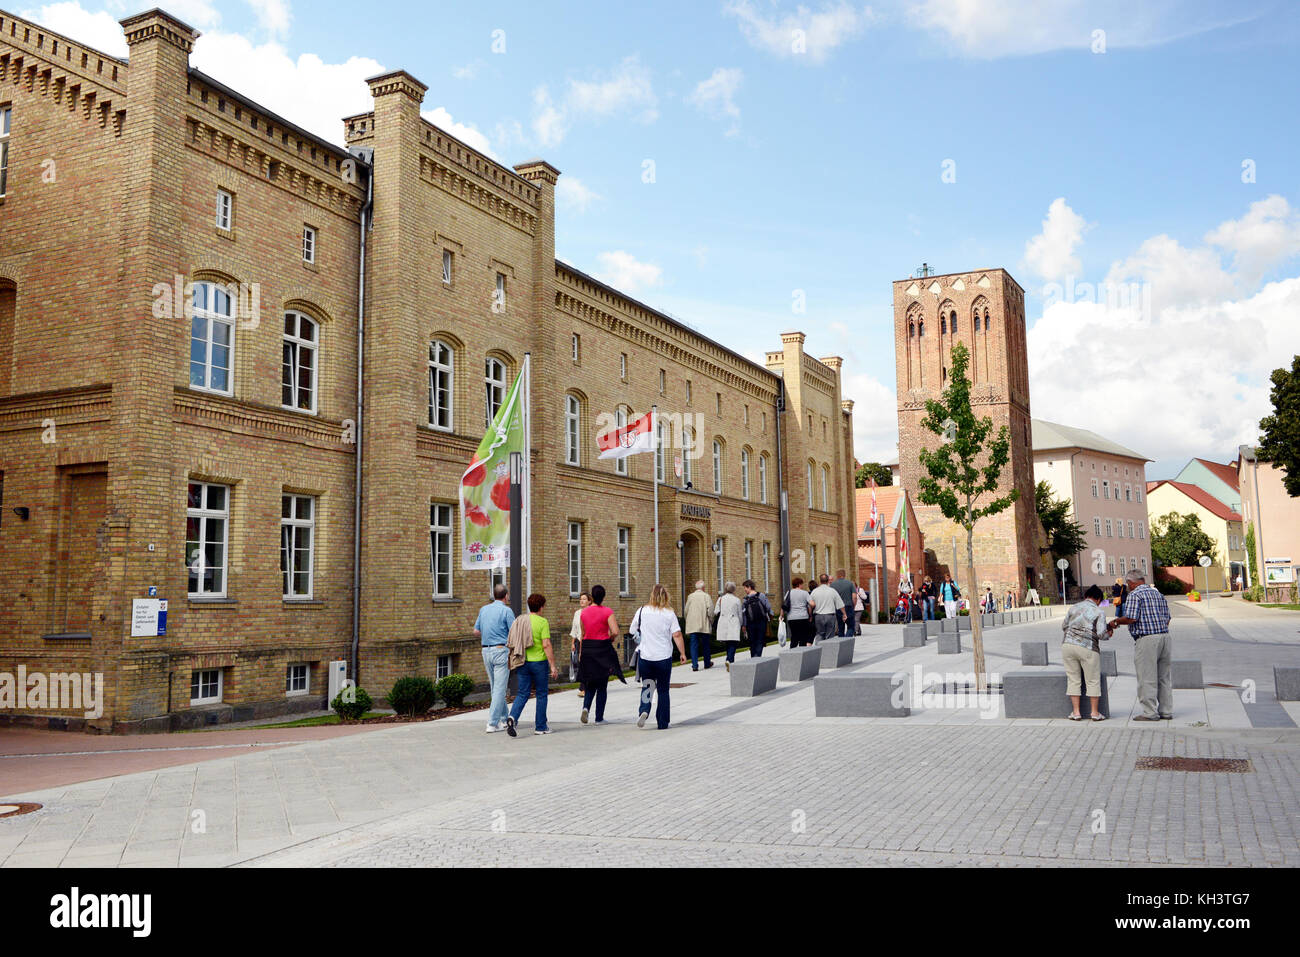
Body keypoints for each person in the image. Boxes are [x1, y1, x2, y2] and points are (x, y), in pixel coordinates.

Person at [1111, 568, 1173, 721]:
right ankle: (1166, 711)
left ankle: (1150, 712)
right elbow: (1168, 618)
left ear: (1131, 583)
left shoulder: (1135, 595)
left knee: (1147, 676)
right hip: (1165, 637)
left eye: (1127, 584)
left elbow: (1131, 618)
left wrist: (1115, 621)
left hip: (1146, 639)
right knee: (1163, 677)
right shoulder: (1157, 593)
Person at [630, 584, 687, 729]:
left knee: (647, 685)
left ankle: (644, 710)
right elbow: (677, 634)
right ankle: (662, 722)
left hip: (646, 656)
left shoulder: (642, 611)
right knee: (662, 690)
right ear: (666, 597)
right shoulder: (669, 613)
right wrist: (682, 653)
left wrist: (641, 638)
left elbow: (632, 630)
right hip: (663, 657)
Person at [505, 593, 558, 736]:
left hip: (523, 661)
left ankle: (513, 717)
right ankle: (540, 727)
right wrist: (552, 665)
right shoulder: (542, 622)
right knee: (541, 694)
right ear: (541, 607)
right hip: (539, 663)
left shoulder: (520, 620)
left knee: (522, 693)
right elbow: (546, 645)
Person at [576, 584, 625, 724]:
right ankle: (599, 718)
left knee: (590, 682)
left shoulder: (583, 612)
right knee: (602, 685)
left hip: (587, 648)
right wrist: (610, 638)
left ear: (592, 596)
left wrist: (581, 652)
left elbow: (583, 633)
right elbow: (615, 631)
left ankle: (586, 708)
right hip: (602, 649)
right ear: (603, 597)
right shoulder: (607, 611)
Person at [1061, 584, 1109, 721]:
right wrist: (1109, 634)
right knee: (1093, 680)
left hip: (1068, 646)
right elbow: (1101, 634)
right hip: (1088, 647)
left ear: (1086, 596)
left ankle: (1076, 713)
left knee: (1073, 679)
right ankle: (1094, 713)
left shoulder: (1073, 607)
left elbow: (1064, 626)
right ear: (1098, 599)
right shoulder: (1099, 612)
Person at [474, 583, 515, 733]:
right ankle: (492, 723)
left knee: (495, 687)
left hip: (486, 650)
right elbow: (513, 632)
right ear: (506, 596)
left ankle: (504, 719)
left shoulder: (483, 609)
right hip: (500, 650)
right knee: (499, 688)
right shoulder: (506, 610)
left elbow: (476, 631)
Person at [683, 580, 714, 671]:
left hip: (693, 625)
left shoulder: (690, 597)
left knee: (693, 645)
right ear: (703, 588)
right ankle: (707, 663)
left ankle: (695, 665)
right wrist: (711, 621)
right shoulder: (706, 596)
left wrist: (688, 621)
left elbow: (686, 611)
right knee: (706, 645)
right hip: (704, 623)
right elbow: (711, 611)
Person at [809, 573, 845, 642]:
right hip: (830, 616)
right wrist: (844, 614)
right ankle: (828, 651)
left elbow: (810, 605)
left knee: (819, 634)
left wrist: (810, 615)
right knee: (830, 636)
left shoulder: (814, 591)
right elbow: (840, 604)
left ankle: (819, 651)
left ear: (820, 581)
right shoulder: (832, 591)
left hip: (818, 616)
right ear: (828, 580)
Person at [741, 579, 773, 656]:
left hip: (750, 623)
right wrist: (771, 616)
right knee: (760, 640)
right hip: (762, 622)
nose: (744, 590)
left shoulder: (745, 600)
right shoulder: (761, 595)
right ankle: (758, 656)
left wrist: (744, 625)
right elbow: (768, 607)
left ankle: (753, 658)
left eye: (745, 588)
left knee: (752, 641)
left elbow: (744, 614)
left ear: (749, 587)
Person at [715, 581, 744, 666]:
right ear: (734, 589)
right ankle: (729, 659)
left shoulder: (720, 599)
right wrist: (741, 624)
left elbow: (716, 611)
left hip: (723, 621)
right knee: (733, 642)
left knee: (728, 642)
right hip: (733, 621)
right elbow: (740, 613)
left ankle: (729, 659)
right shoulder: (737, 600)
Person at [782, 577, 813, 648]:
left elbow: (784, 605)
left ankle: (792, 652)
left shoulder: (788, 593)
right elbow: (811, 605)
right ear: (799, 584)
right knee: (803, 637)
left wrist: (782, 615)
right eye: (802, 584)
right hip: (803, 617)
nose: (802, 586)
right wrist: (810, 616)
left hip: (792, 618)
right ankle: (802, 654)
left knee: (794, 636)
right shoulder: (805, 593)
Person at [569, 591, 590, 687]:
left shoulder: (591, 612)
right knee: (580, 663)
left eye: (584, 599)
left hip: (588, 641)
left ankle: (583, 687)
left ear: (589, 601)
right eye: (580, 599)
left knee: (586, 663)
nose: (581, 601)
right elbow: (574, 628)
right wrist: (572, 643)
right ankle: (584, 685)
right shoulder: (577, 613)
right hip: (578, 640)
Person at [831, 570, 857, 637]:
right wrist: (853, 606)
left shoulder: (832, 584)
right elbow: (854, 597)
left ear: (837, 575)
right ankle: (847, 639)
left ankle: (842, 642)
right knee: (851, 626)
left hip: (838, 608)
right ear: (844, 575)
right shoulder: (850, 583)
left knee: (840, 627)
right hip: (848, 606)